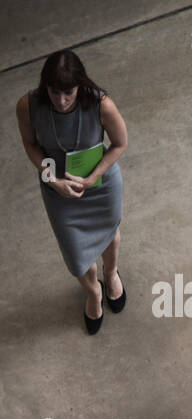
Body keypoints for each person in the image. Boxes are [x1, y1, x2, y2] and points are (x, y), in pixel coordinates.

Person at [16, 50, 127, 335]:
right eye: (54, 92)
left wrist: (93, 178)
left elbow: (119, 143)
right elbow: (31, 145)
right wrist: (52, 179)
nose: (61, 100)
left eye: (69, 92)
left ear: (80, 85)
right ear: (45, 87)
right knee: (76, 254)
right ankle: (93, 292)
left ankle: (111, 274)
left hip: (100, 185)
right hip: (58, 188)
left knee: (108, 231)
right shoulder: (28, 106)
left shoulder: (101, 104)